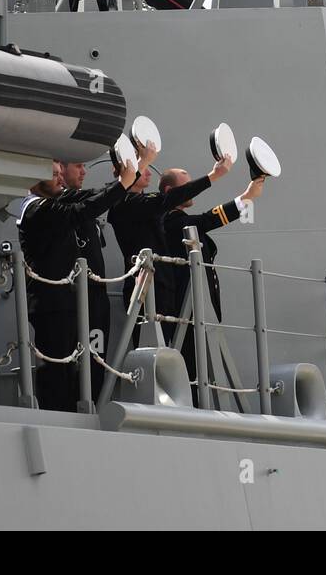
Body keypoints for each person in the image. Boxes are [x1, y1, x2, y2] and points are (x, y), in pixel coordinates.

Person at [17, 148, 154, 413]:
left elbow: (92, 196)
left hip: (78, 301)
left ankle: (88, 414)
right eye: (54, 175)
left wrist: (137, 167)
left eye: (59, 173)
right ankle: (59, 421)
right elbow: (83, 210)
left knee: (89, 370)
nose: (60, 179)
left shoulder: (55, 201)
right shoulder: (36, 211)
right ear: (34, 181)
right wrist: (125, 181)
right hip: (54, 306)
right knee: (59, 374)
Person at [159, 169, 266, 405]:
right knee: (188, 372)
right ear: (170, 192)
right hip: (184, 313)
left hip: (199, 313)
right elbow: (206, 220)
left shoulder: (177, 220)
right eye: (187, 186)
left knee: (199, 373)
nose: (192, 189)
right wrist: (245, 198)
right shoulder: (168, 220)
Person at [107, 153, 233, 346]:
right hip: (146, 289)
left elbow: (164, 201)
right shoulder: (124, 204)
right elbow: (170, 199)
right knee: (150, 353)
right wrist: (212, 176)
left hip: (163, 287)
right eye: (143, 166)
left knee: (167, 354)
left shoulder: (144, 204)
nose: (148, 173)